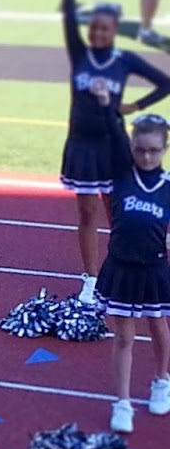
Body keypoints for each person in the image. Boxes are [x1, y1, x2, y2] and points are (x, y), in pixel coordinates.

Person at [56, 0, 170, 304]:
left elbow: (165, 82)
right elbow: (69, 22)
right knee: (86, 212)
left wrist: (134, 107)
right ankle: (90, 280)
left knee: (117, 209)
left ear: (114, 29)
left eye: (105, 29)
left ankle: (119, 270)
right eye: (95, 29)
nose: (98, 34)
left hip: (112, 145)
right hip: (80, 145)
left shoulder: (125, 60)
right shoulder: (80, 55)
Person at [93, 107, 170, 432]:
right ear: (132, 147)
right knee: (123, 336)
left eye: (154, 150)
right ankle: (122, 403)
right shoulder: (119, 180)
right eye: (140, 149)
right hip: (122, 268)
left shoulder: (168, 186)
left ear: (164, 149)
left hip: (154, 269)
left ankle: (162, 379)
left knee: (158, 326)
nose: (147, 156)